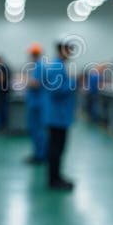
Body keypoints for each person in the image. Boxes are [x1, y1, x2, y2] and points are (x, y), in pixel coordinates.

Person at [42, 36, 78, 191]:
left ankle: (56, 177)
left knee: (58, 148)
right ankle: (54, 180)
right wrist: (74, 82)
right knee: (56, 149)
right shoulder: (57, 66)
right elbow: (56, 90)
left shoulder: (59, 65)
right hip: (57, 116)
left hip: (59, 115)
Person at [24, 43, 47, 164]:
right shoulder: (39, 66)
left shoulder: (39, 66)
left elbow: (36, 84)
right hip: (37, 103)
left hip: (37, 104)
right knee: (37, 130)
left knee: (37, 130)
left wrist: (24, 81)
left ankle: (40, 155)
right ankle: (39, 153)